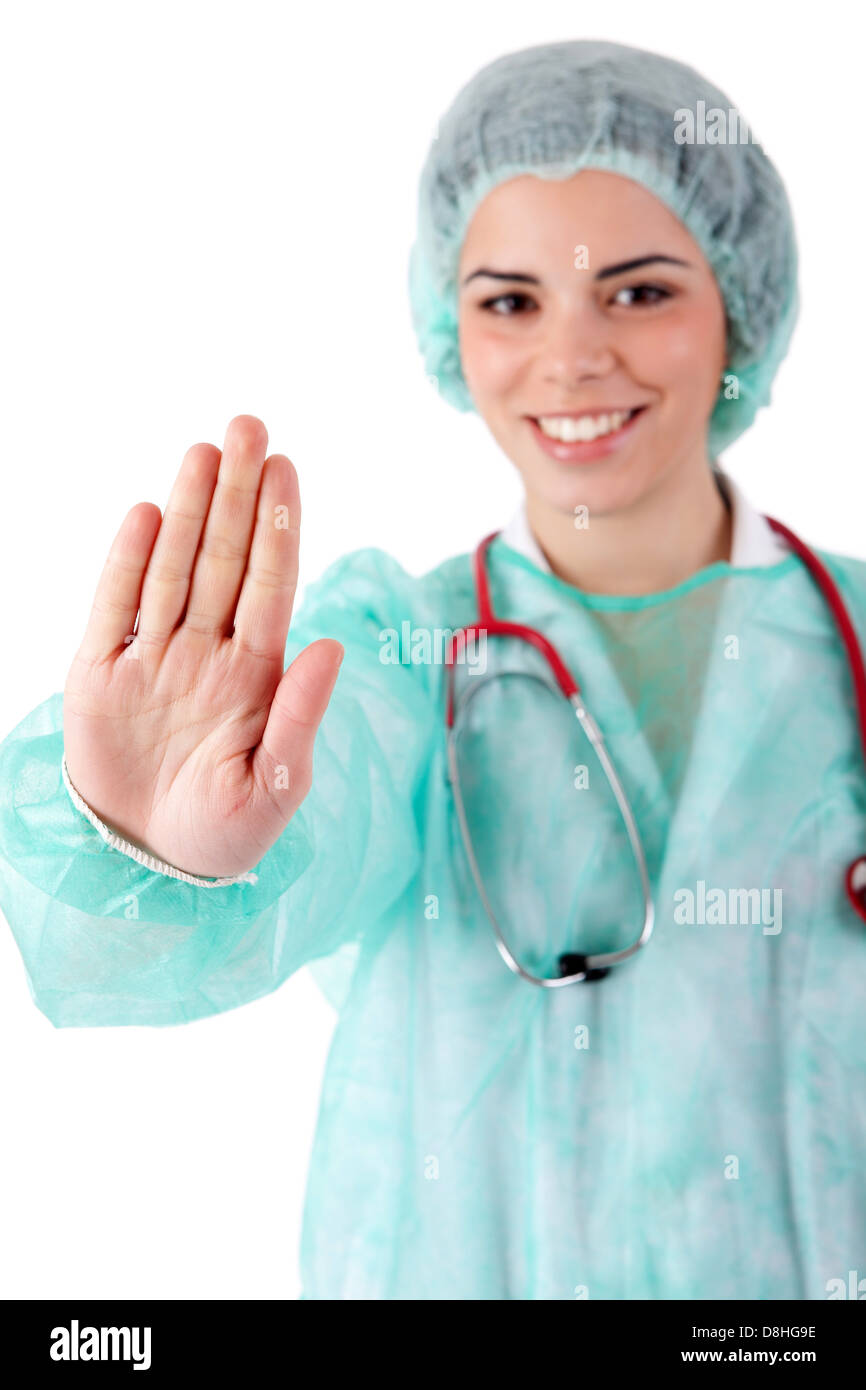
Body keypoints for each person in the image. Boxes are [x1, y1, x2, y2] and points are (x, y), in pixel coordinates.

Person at [1, 38, 864, 1301]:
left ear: (740, 302)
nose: (570, 359)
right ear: (448, 331)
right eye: (510, 300)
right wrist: (150, 848)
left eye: (636, 293)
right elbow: (292, 817)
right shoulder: (398, 657)